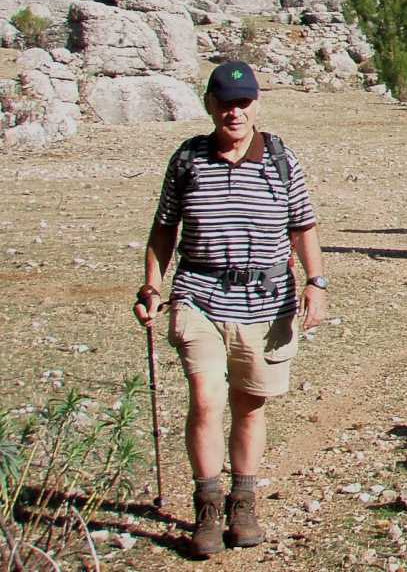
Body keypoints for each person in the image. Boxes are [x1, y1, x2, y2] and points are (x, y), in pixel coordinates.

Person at [132, 60, 328, 559]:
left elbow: (303, 227)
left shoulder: (281, 160)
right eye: (225, 103)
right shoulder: (188, 159)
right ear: (210, 105)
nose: (234, 112)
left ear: (256, 104)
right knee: (205, 398)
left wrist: (316, 282)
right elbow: (164, 229)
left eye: (243, 103)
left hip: (266, 304)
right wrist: (152, 285)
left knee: (250, 404)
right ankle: (207, 505)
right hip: (199, 294)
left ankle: (243, 500)